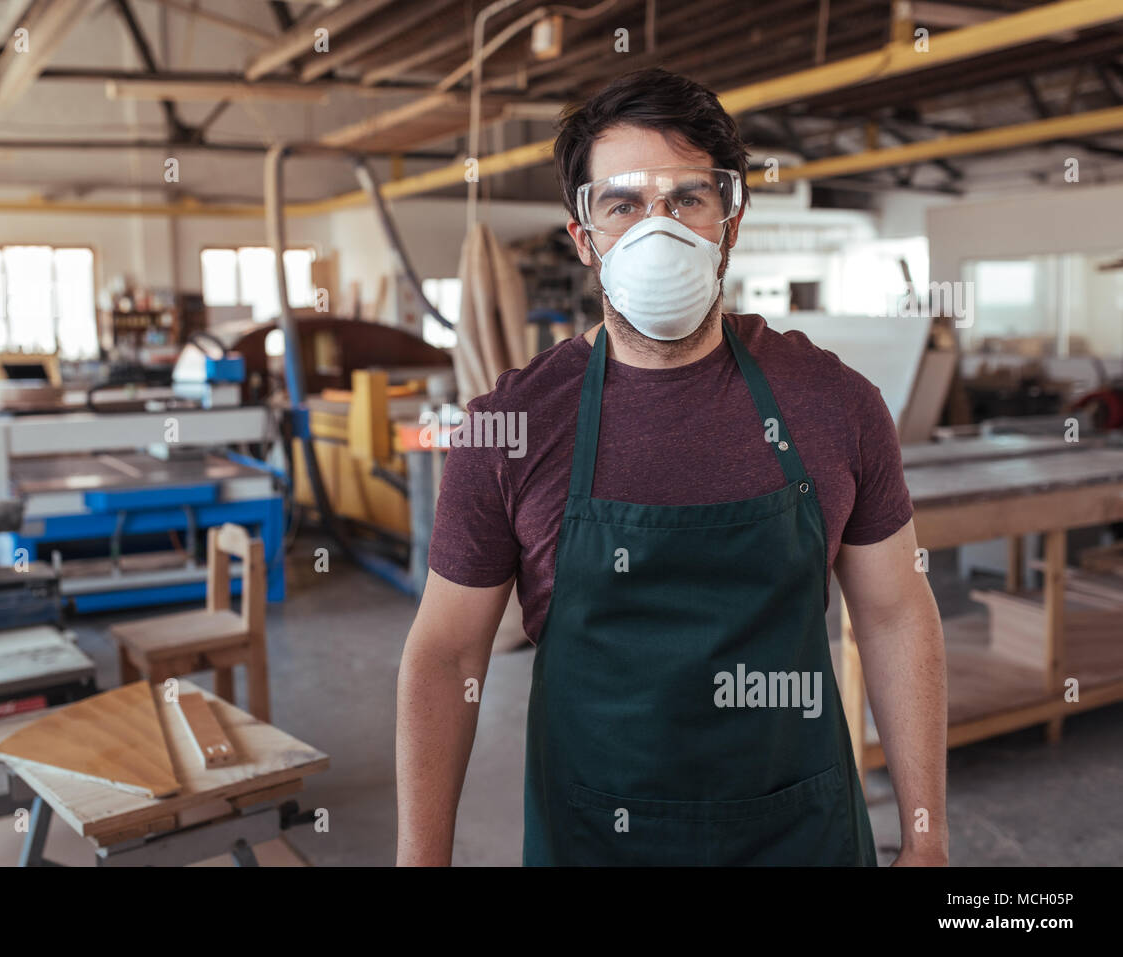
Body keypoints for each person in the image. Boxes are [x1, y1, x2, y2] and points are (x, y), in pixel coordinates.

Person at [397, 68, 948, 867]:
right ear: (585, 236)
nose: (659, 228)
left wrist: (927, 840)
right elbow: (445, 656)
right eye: (623, 204)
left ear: (730, 220)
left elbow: (897, 615)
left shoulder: (837, 404)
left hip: (802, 836)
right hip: (596, 839)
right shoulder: (509, 428)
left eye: (688, 198)